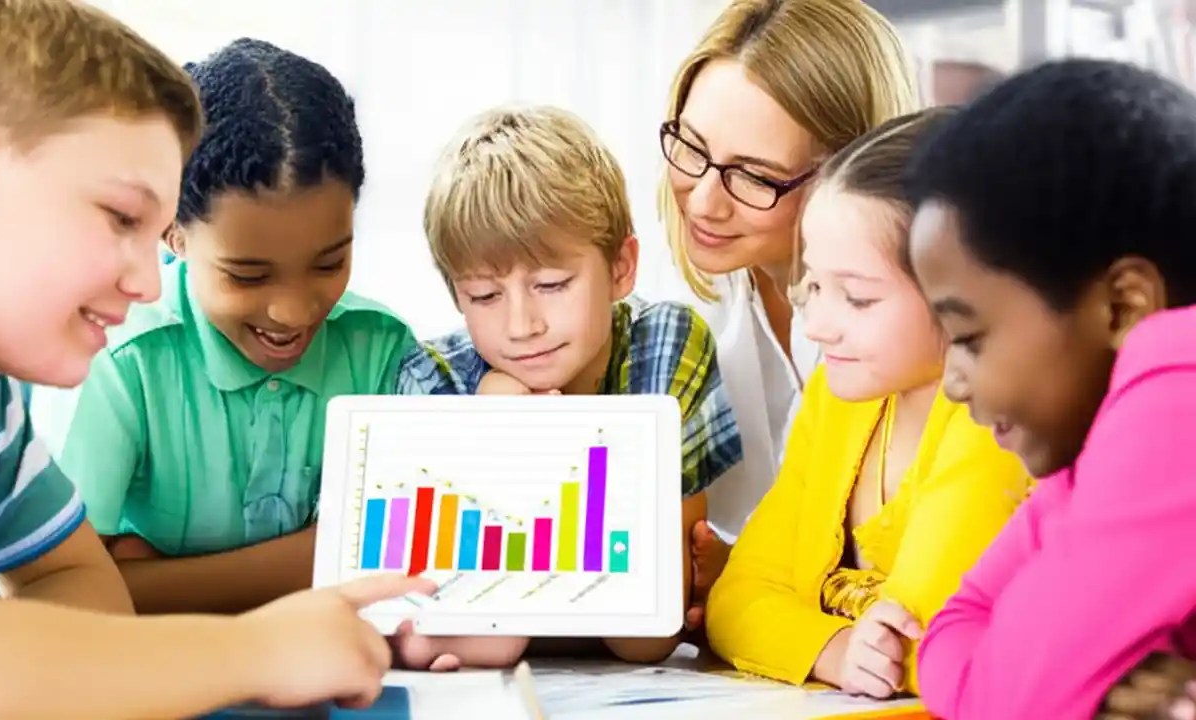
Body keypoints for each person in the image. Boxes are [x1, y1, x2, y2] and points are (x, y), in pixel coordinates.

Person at [0, 2, 430, 716]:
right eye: (121, 217)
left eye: (152, 230)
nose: (151, 284)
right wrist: (259, 651)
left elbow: (82, 594)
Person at [30, 38, 416, 614]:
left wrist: (145, 578)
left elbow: (403, 572)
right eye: (248, 275)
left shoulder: (381, 349)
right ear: (172, 232)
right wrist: (315, 558)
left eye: (329, 263)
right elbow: (60, 600)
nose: (294, 311)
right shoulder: (117, 360)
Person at [394, 105, 742, 668]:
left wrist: (555, 450)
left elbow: (646, 635)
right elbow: (446, 623)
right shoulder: (433, 379)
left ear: (621, 268)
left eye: (553, 284)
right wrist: (493, 438)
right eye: (484, 296)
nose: (521, 325)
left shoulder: (666, 344)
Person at [704, 109, 1030, 698]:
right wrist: (834, 649)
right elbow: (735, 599)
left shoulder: (993, 419)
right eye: (814, 285)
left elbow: (927, 640)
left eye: (856, 298)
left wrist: (800, 632)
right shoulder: (837, 398)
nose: (818, 325)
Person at [906, 59, 1196, 720]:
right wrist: (1104, 681)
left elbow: (1005, 698)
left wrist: (1062, 677)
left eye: (970, 337)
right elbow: (954, 627)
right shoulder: (1088, 458)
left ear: (1123, 306)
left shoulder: (1180, 383)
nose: (953, 383)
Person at [657, 0, 920, 618]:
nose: (704, 203)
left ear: (848, 174)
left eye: (754, 176)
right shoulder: (681, 308)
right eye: (690, 147)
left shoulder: (908, 335)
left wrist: (745, 580)